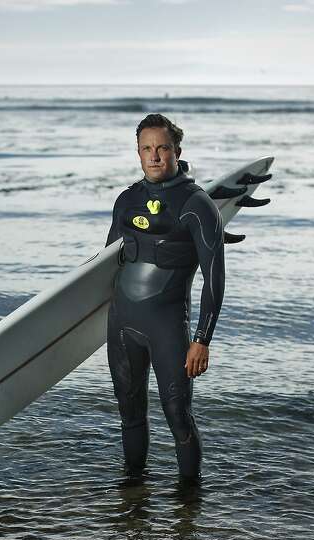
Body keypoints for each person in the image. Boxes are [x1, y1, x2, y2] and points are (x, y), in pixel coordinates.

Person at [105, 113, 225, 482]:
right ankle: (133, 497)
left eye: (162, 148)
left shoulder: (196, 204)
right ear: (138, 153)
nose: (154, 156)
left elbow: (214, 278)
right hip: (122, 324)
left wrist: (201, 340)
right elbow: (106, 261)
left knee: (177, 414)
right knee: (129, 411)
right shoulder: (126, 200)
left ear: (177, 151)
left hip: (168, 328)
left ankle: (189, 506)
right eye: (146, 149)